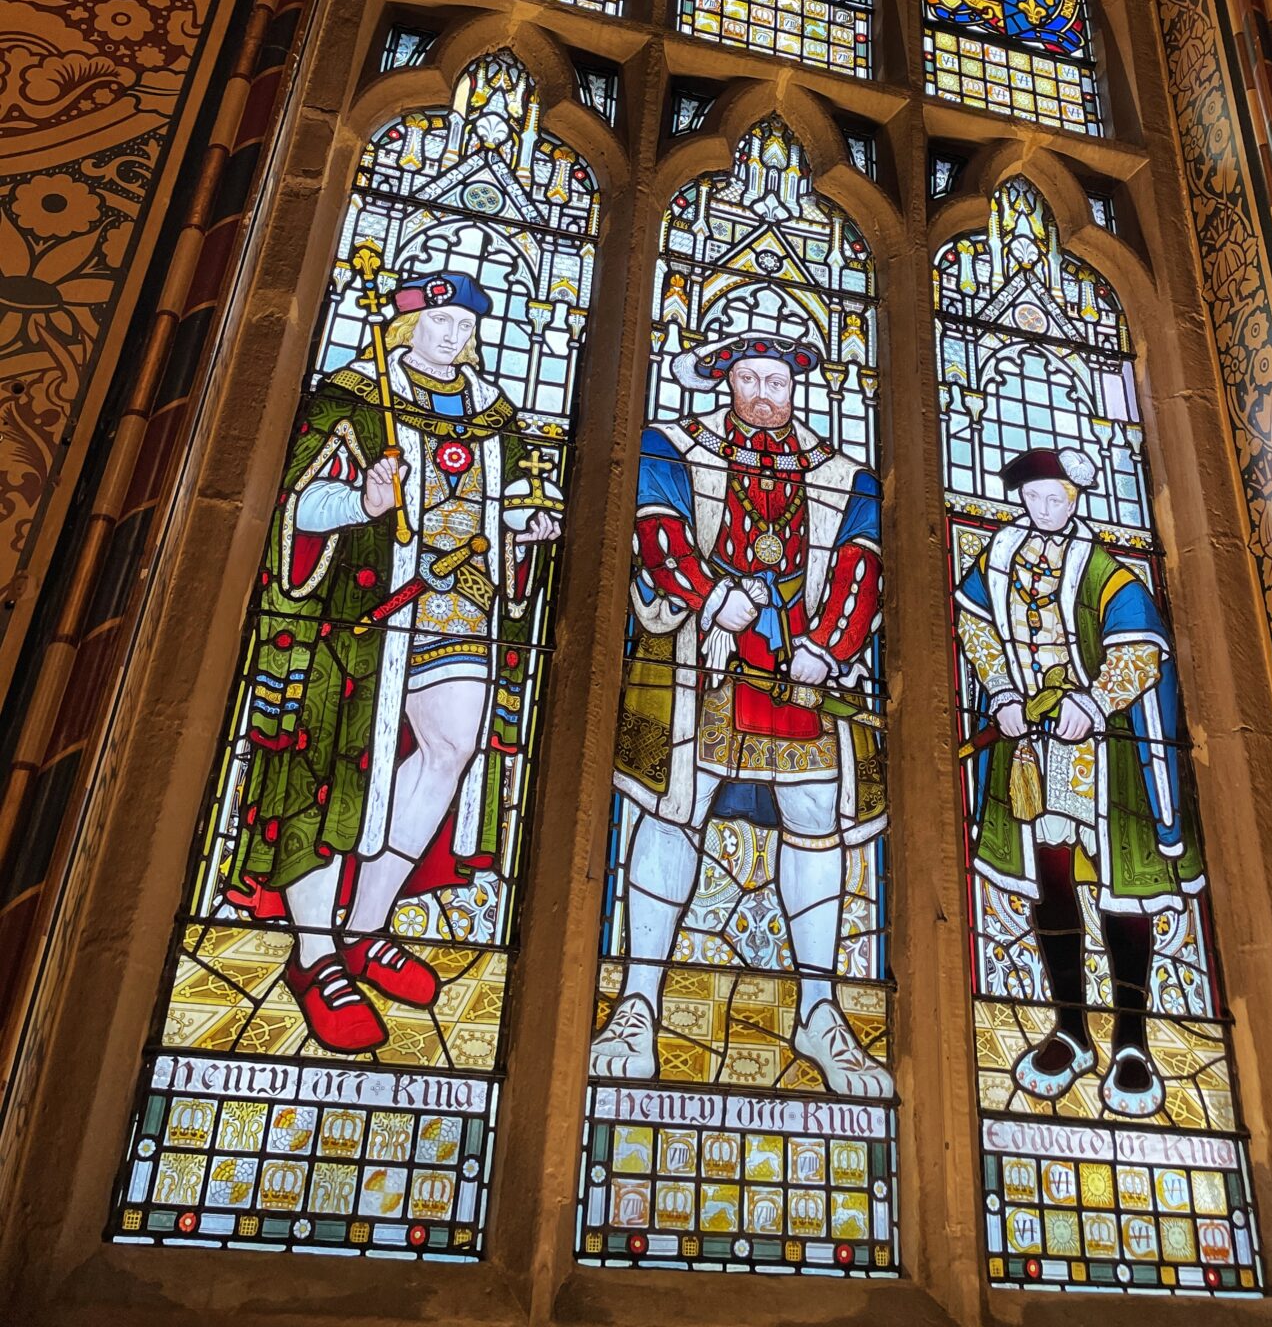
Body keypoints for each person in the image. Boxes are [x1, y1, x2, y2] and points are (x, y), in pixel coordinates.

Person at [227, 271, 561, 1054]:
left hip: (460, 611)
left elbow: (504, 502)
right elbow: (298, 511)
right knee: (334, 770)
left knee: (451, 750)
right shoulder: (354, 395)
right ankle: (314, 955)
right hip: (360, 619)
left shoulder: (494, 415)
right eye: (439, 320)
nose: (453, 335)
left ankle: (367, 926)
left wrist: (525, 528)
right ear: (406, 326)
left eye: (464, 323)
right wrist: (365, 505)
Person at [591, 333, 890, 1098]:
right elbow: (656, 533)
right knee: (670, 812)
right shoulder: (674, 445)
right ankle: (638, 1000)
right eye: (750, 379)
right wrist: (708, 595)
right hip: (702, 655)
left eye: (778, 381)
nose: (764, 394)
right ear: (726, 384)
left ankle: (819, 1007)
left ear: (799, 389)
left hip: (799, 672)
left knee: (815, 809)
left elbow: (861, 568)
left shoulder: (841, 473)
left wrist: (826, 647)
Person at [954, 446, 1203, 1117]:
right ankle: (1069, 1028)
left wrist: (1093, 703)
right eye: (1033, 496)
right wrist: (1003, 692)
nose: (1044, 506)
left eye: (1056, 496)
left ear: (1074, 500)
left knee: (1125, 894)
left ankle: (1129, 1041)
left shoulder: (1107, 573)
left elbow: (1142, 647)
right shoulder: (997, 563)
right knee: (1048, 877)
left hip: (1104, 752)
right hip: (1031, 751)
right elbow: (975, 628)